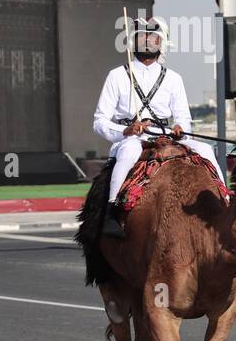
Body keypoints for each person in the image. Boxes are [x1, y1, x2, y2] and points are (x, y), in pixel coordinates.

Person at [93, 16, 219, 239]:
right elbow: (100, 121)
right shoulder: (117, 75)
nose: (147, 39)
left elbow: (183, 117)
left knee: (207, 150)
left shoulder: (174, 78)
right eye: (142, 35)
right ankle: (111, 212)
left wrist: (180, 127)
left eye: (153, 36)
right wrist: (126, 130)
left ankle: (223, 201)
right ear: (134, 41)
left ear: (161, 42)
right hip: (130, 139)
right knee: (130, 152)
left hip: (166, 136)